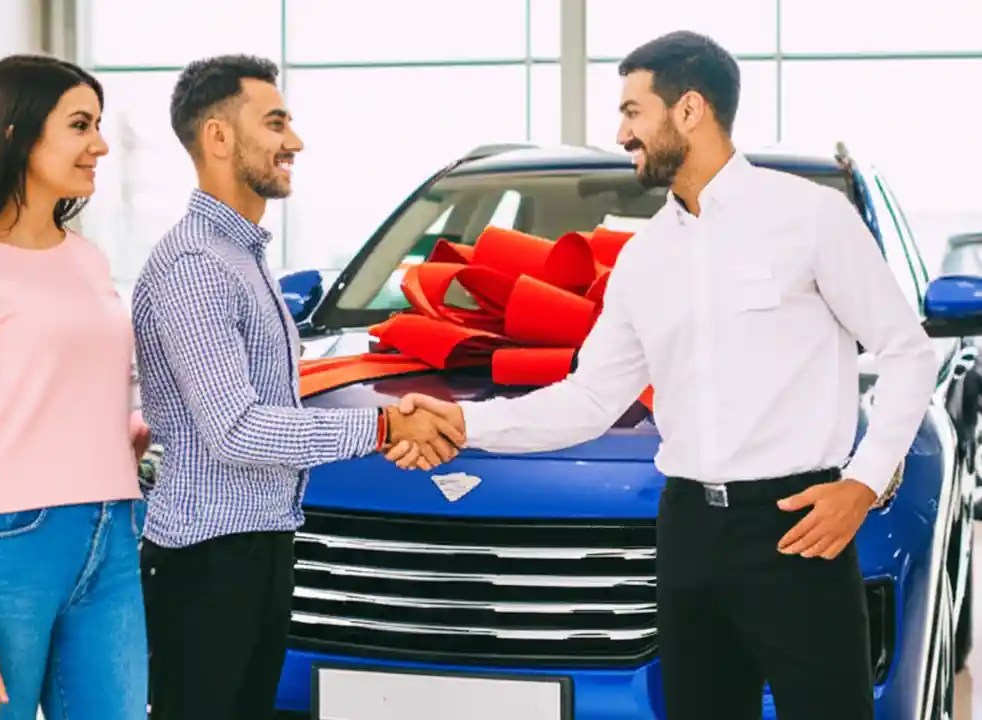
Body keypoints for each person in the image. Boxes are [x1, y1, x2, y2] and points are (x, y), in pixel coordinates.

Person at [393, 31, 937, 720]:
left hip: (795, 526)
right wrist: (462, 422)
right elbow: (590, 399)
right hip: (687, 531)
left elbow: (906, 350)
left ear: (689, 110)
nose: (621, 133)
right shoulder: (645, 259)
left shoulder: (810, 218)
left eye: (632, 111)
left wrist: (862, 482)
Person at [130, 54, 461, 720]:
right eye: (276, 123)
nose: (296, 142)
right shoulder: (196, 265)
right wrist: (386, 426)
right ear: (218, 137)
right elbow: (236, 430)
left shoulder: (241, 257)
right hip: (207, 559)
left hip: (258, 546)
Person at [0, 55, 151, 720]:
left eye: (97, 124)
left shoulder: (87, 259)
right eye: (80, 125)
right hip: (1, 552)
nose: (100, 144)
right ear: (16, 133)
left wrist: (145, 428)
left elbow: (68, 404)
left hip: (111, 536)